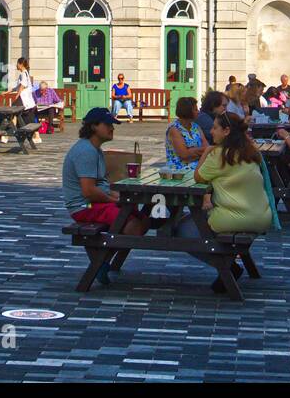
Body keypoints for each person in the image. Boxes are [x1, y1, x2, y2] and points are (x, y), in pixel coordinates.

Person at [176, 111, 275, 292]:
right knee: (198, 222)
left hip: (236, 218)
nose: (211, 132)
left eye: (215, 128)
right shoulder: (250, 152)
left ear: (227, 131)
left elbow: (198, 177)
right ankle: (229, 262)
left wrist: (206, 151)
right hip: (262, 216)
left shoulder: (219, 155)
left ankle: (226, 265)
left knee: (182, 228)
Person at [62, 107, 149, 285]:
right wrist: (114, 199)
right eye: (108, 124)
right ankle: (100, 261)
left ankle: (102, 259)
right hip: (84, 206)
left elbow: (100, 185)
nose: (112, 128)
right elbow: (88, 191)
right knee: (133, 225)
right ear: (94, 126)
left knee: (142, 218)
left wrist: (118, 195)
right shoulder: (86, 151)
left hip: (93, 203)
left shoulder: (95, 149)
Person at [165, 95, 207, 171]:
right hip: (179, 170)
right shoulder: (174, 129)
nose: (198, 112)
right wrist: (201, 153)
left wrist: (192, 151)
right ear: (187, 111)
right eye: (195, 109)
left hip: (198, 167)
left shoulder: (196, 127)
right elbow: (184, 155)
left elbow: (207, 148)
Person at [13, 57, 37, 125]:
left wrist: (17, 95)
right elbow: (18, 86)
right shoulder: (26, 73)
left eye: (17, 64)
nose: (16, 65)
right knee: (25, 115)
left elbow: (23, 85)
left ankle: (12, 127)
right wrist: (7, 92)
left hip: (24, 98)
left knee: (13, 108)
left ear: (21, 64)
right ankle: (16, 126)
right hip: (27, 99)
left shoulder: (23, 73)